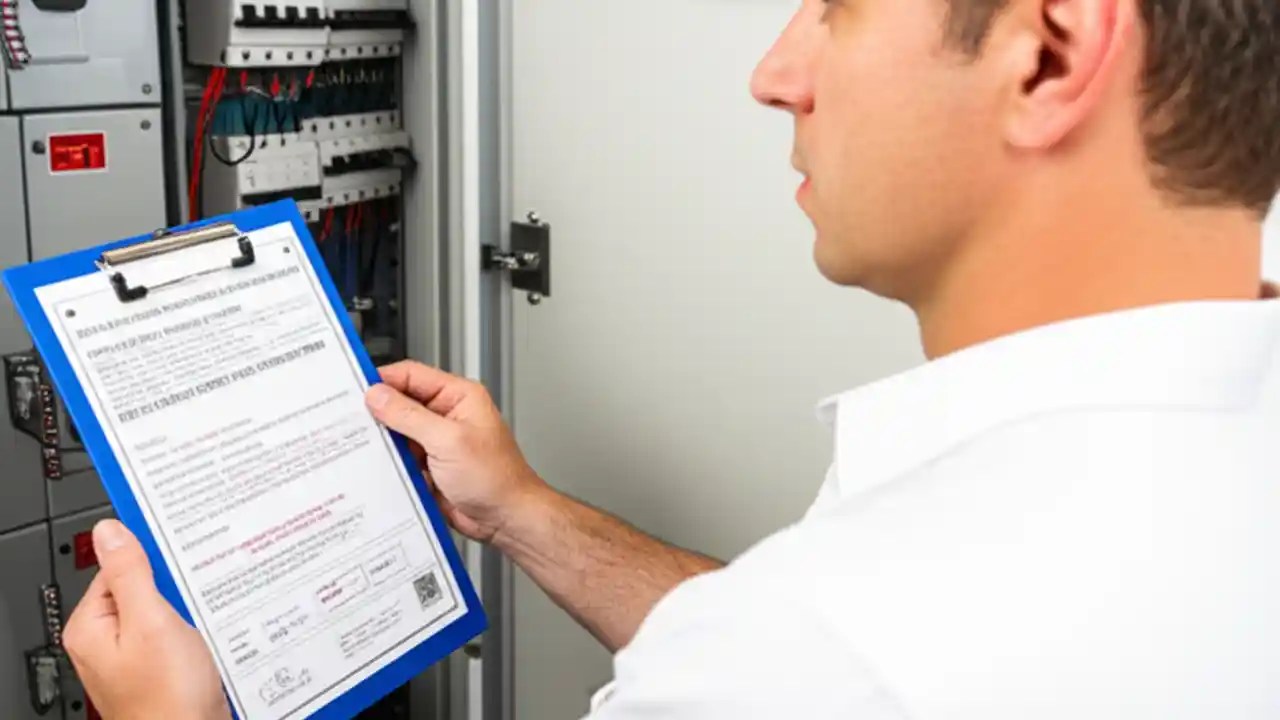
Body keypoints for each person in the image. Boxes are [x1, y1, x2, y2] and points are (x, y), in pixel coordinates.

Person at [62, 0, 1280, 717]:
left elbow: (794, 654)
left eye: (839, 3)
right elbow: (762, 628)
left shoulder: (824, 659)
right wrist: (523, 512)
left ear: (1050, 54)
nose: (774, 73)